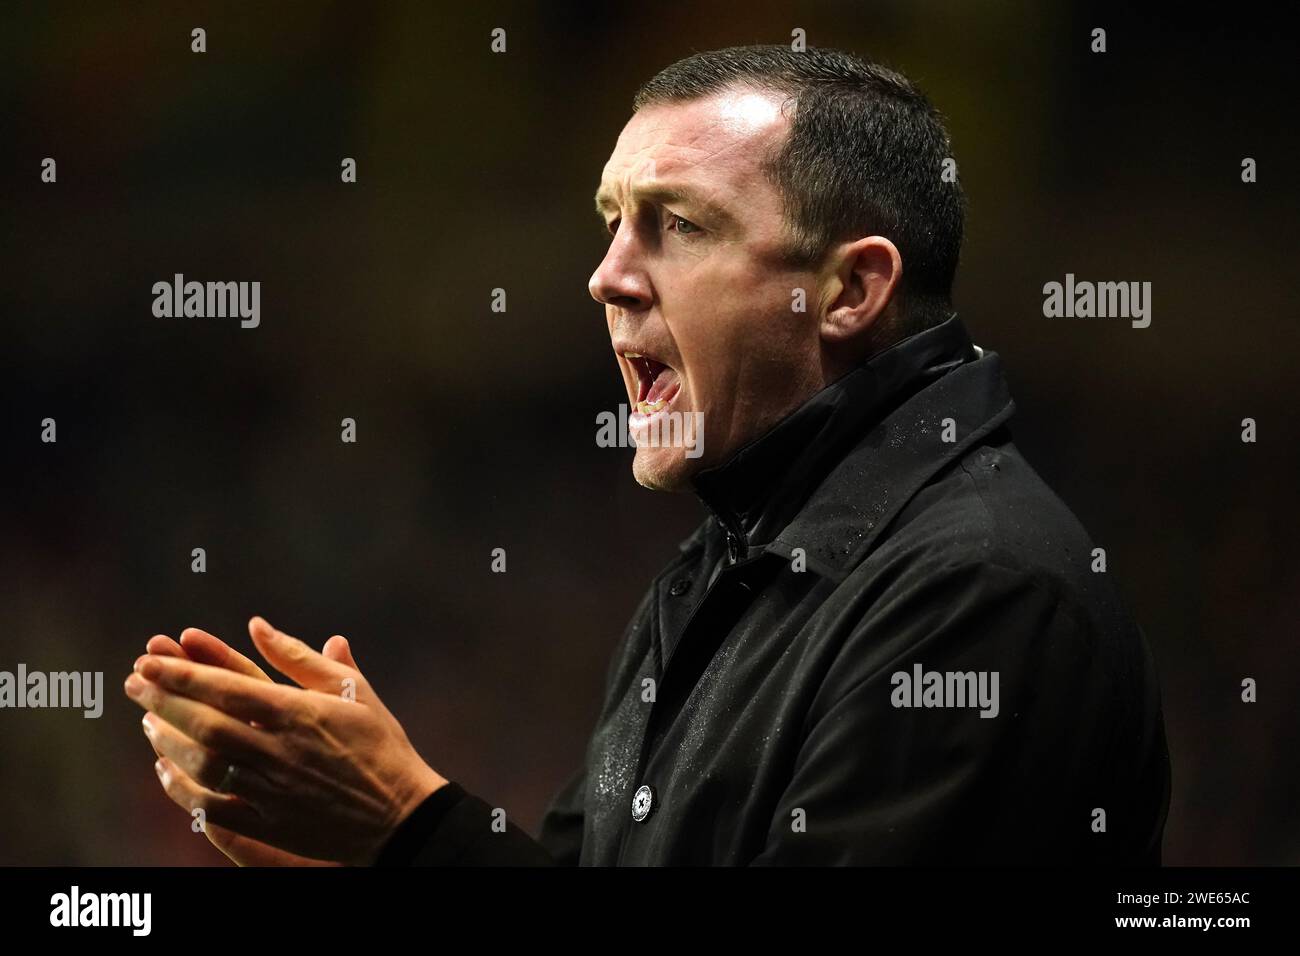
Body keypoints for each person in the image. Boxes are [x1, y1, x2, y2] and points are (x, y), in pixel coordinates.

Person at [124, 44, 1170, 866]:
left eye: (677, 225)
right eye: (613, 221)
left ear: (850, 290)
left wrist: (412, 826)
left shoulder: (981, 595)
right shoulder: (727, 566)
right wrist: (369, 856)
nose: (606, 276)